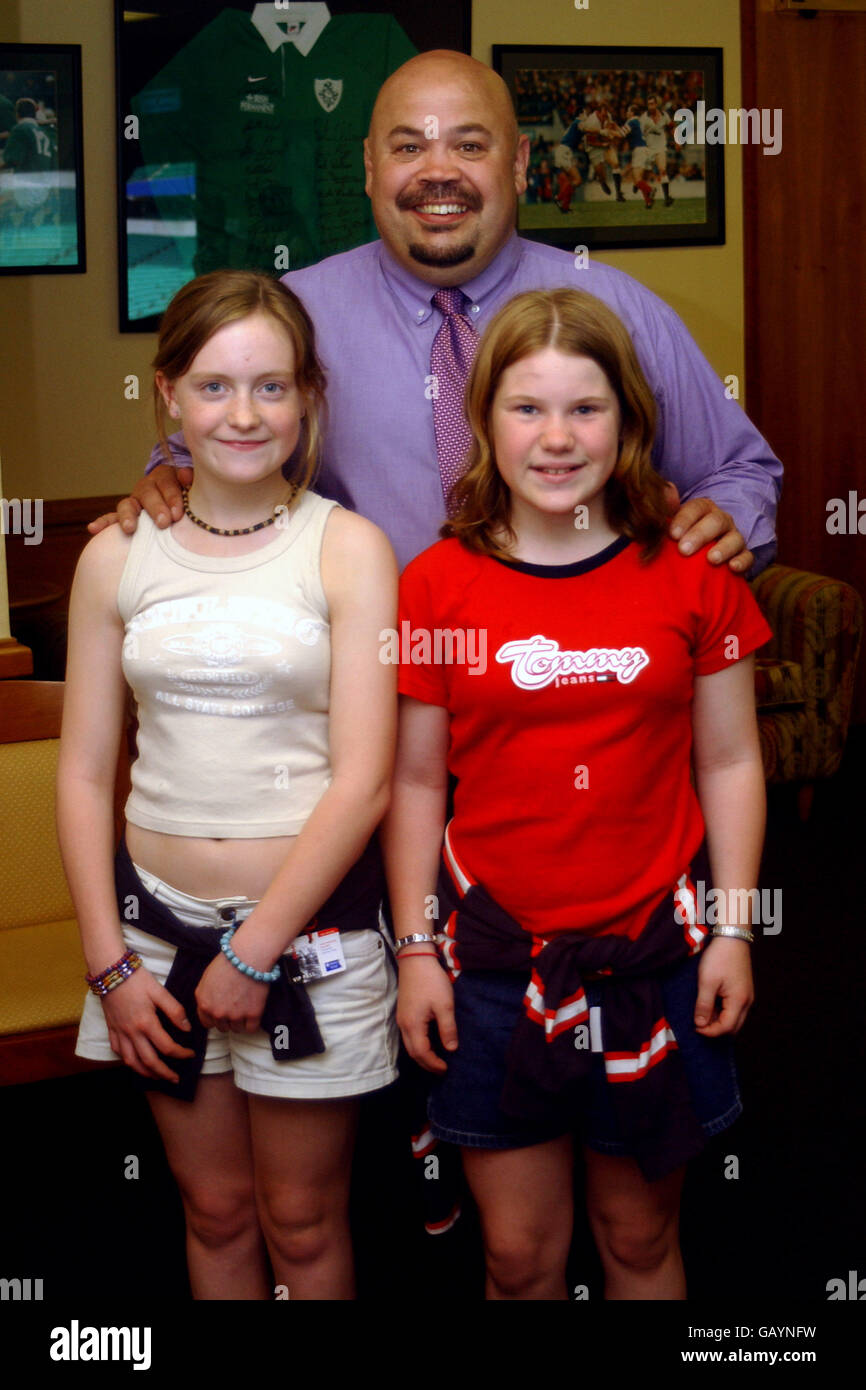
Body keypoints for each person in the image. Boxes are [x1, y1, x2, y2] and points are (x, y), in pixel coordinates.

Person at [382, 287, 771, 1300]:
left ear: (628, 420)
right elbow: (416, 779)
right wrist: (415, 949)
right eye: (525, 408)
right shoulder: (434, 584)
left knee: (637, 1242)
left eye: (585, 408)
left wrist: (731, 930)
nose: (555, 439)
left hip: (656, 959)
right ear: (482, 422)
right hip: (494, 969)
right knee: (517, 1257)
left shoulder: (693, 573)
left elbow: (728, 762)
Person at [90, 50, 781, 578]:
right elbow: (204, 458)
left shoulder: (619, 309)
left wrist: (730, 520)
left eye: (470, 146)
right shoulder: (291, 314)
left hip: (564, 684)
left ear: (519, 164)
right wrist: (166, 484)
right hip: (362, 689)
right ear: (369, 167)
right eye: (409, 147)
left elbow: (739, 470)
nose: (437, 172)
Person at [57, 270, 399, 1300]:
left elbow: (367, 779)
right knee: (212, 1210)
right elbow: (80, 773)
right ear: (167, 394)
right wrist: (111, 965)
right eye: (213, 387)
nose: (242, 414)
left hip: (303, 939)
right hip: (152, 937)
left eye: (271, 387)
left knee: (300, 1221)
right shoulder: (116, 553)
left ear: (308, 398)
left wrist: (253, 951)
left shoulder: (347, 549)